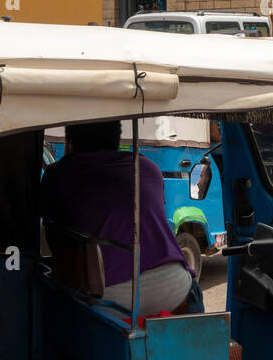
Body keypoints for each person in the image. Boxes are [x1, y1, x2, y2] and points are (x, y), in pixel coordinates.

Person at [40, 120, 204, 317]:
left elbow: (46, 221)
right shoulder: (146, 167)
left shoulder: (58, 174)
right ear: (117, 139)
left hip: (107, 298)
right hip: (175, 289)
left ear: (71, 141)